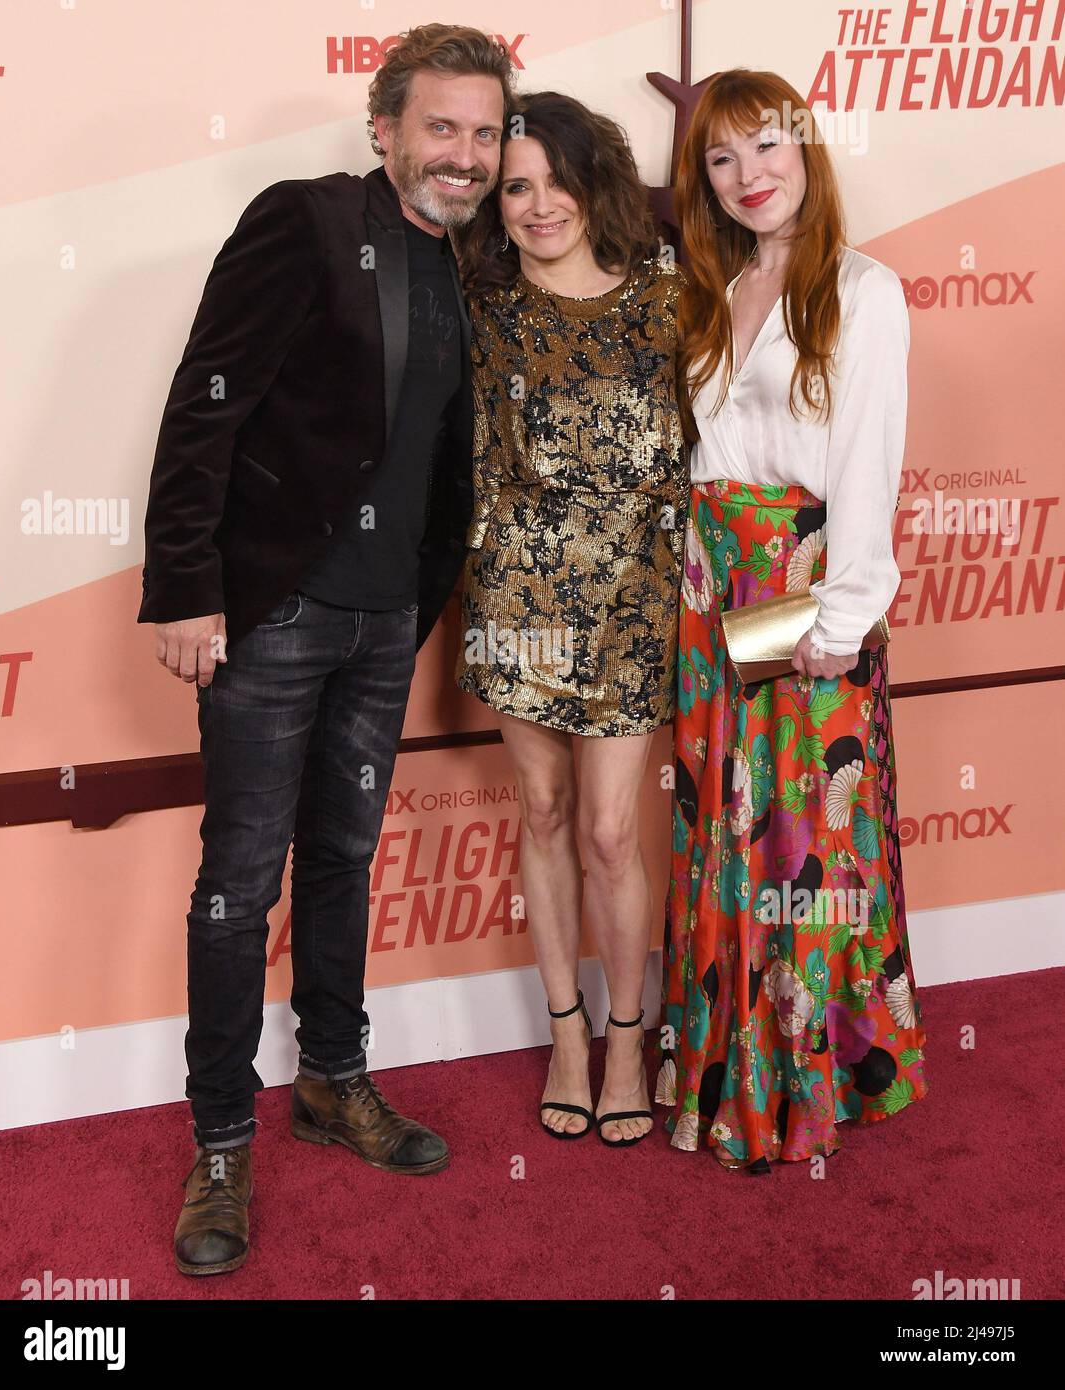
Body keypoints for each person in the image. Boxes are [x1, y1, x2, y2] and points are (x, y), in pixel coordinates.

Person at [137, 24, 513, 1275]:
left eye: (485, 130)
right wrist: (183, 589)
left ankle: (333, 1078)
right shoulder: (302, 222)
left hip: (386, 614)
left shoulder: (478, 261)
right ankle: (222, 1138)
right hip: (276, 614)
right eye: (442, 127)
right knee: (239, 879)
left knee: (346, 854)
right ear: (387, 129)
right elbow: (207, 399)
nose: (464, 154)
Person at [657, 68, 928, 1172]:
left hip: (803, 592)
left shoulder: (861, 290)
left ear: (806, 149)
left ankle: (806, 1078)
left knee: (804, 843)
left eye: (764, 148)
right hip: (710, 591)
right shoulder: (709, 288)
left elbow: (865, 461)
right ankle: (726, 1064)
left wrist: (844, 613)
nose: (745, 177)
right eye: (719, 160)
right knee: (722, 826)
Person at [455, 92, 690, 1146]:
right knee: (543, 814)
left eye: (555, 179)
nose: (538, 204)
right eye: (516, 186)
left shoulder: (672, 298)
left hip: (636, 603)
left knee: (607, 829)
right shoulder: (478, 304)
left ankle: (628, 1038)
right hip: (515, 597)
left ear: (594, 182)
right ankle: (565, 1037)